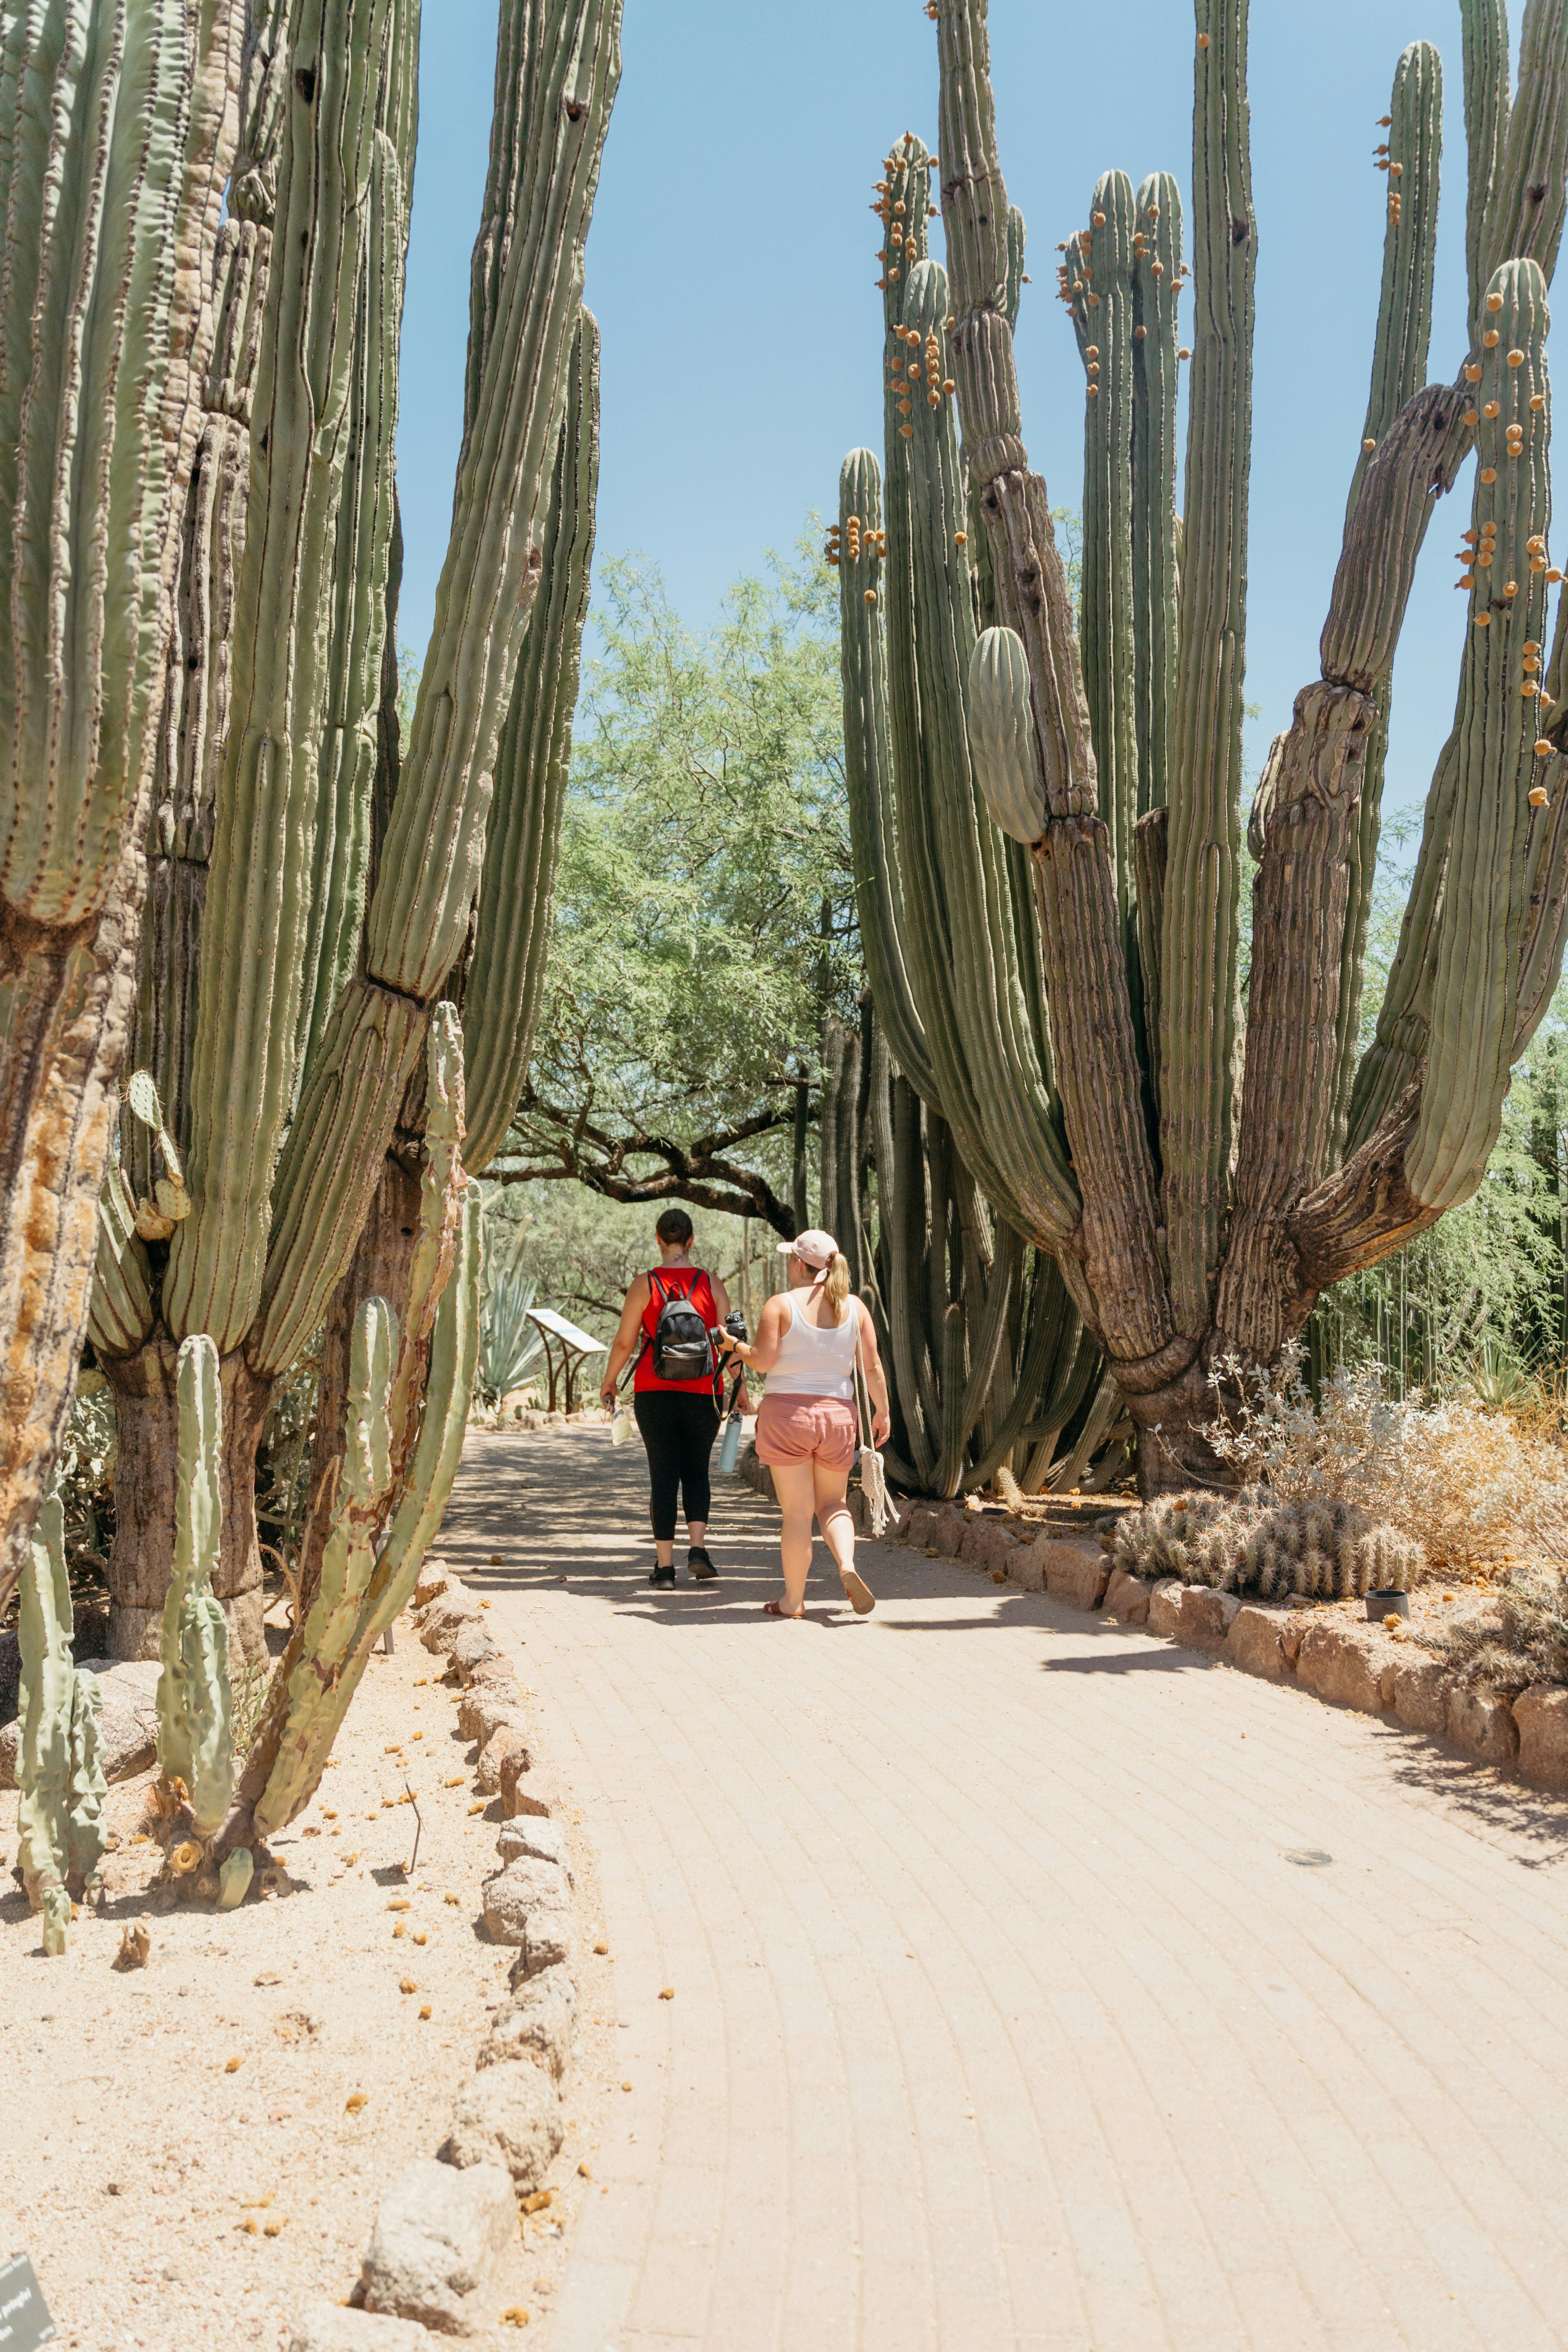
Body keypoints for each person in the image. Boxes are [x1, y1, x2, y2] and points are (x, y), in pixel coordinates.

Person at [718, 1229, 891, 1619]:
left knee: (797, 1513)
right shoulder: (855, 1308)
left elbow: (762, 1360)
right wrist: (883, 1411)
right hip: (837, 1416)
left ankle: (793, 1602)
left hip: (787, 1417)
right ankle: (846, 1564)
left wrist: (734, 1347)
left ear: (799, 1263)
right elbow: (873, 1366)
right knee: (834, 1504)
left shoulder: (780, 1306)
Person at [600, 1208, 746, 1587]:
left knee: (663, 1476)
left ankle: (664, 1569)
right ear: (691, 1240)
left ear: (658, 1239)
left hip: (655, 1393)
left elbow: (624, 1341)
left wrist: (610, 1380)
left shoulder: (644, 1284)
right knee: (697, 1471)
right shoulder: (711, 1283)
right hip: (705, 1393)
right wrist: (741, 1387)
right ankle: (698, 1551)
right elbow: (731, 1345)